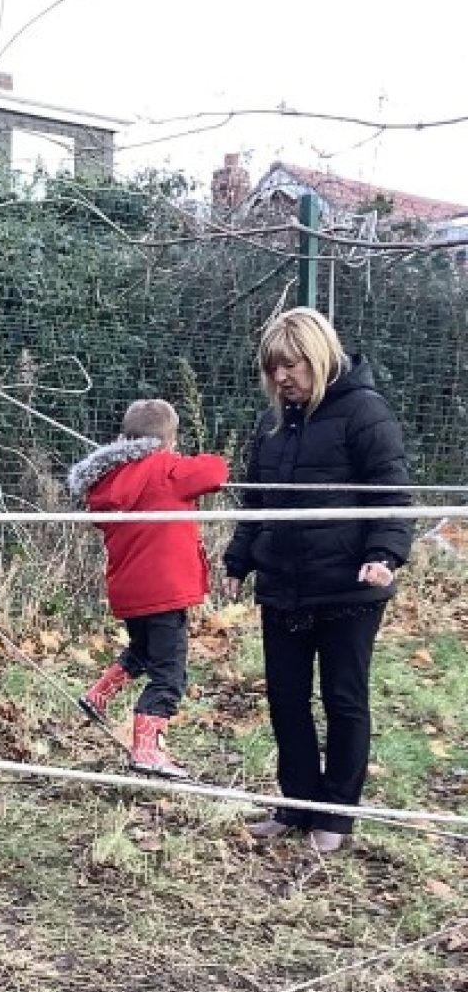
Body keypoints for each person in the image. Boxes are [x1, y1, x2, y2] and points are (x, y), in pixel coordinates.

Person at [224, 307, 413, 854]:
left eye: (293, 365)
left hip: (350, 586)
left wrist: (386, 554)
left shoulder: (365, 413)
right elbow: (256, 504)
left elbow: (392, 494)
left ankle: (337, 816)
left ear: (320, 357)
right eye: (273, 368)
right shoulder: (273, 424)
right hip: (284, 582)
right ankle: (297, 803)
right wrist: (240, 561)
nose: (283, 378)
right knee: (285, 698)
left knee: (343, 697)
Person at [68, 398, 229, 777]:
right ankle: (145, 748)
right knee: (169, 674)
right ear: (171, 440)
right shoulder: (167, 468)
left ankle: (98, 695)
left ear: (125, 436)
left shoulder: (110, 476)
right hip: (164, 591)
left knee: (143, 650)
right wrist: (175, 455)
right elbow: (215, 471)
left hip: (130, 591)